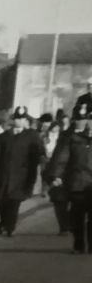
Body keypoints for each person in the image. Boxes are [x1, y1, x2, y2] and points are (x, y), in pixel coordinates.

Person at [46, 101, 92, 253]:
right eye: (81, 119)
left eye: (87, 119)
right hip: (78, 183)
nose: (85, 122)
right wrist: (57, 176)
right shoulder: (72, 139)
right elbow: (62, 159)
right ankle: (79, 244)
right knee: (77, 215)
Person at [0, 106, 43, 236]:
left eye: (22, 119)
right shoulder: (4, 136)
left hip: (20, 177)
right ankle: (3, 222)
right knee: (2, 202)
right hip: (4, 176)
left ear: (25, 120)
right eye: (17, 118)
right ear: (14, 120)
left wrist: (31, 178)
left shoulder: (31, 136)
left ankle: (10, 227)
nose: (19, 121)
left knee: (14, 203)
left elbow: (34, 160)